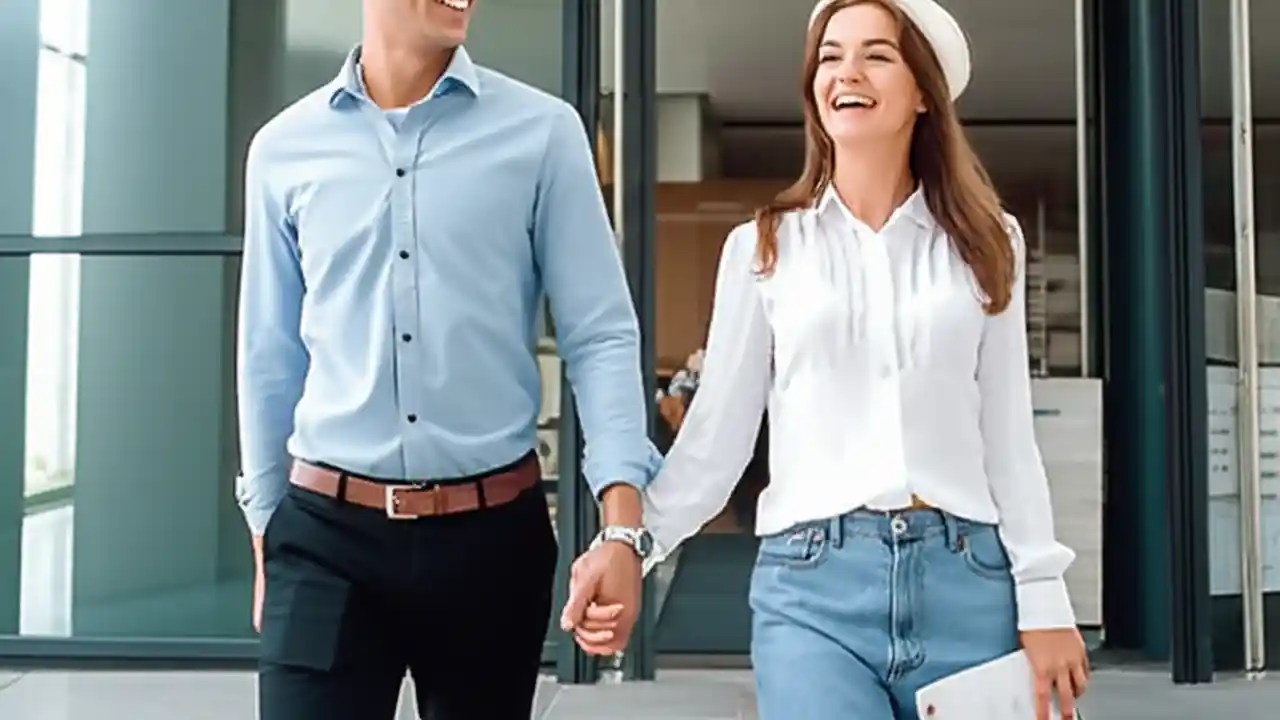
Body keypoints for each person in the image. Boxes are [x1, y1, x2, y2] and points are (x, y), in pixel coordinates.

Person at [621, 1, 1091, 718]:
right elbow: (714, 444)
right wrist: (631, 543)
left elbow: (1008, 438)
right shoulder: (763, 247)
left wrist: (1045, 595)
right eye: (830, 56)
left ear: (924, 91)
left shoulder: (989, 242)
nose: (847, 71)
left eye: (877, 54)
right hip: (812, 592)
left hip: (968, 581)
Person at [235, 1, 660, 717]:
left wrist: (621, 526)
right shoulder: (283, 149)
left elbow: (601, 334)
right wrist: (266, 531)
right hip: (323, 539)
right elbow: (268, 355)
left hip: (491, 541)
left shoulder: (543, 134)